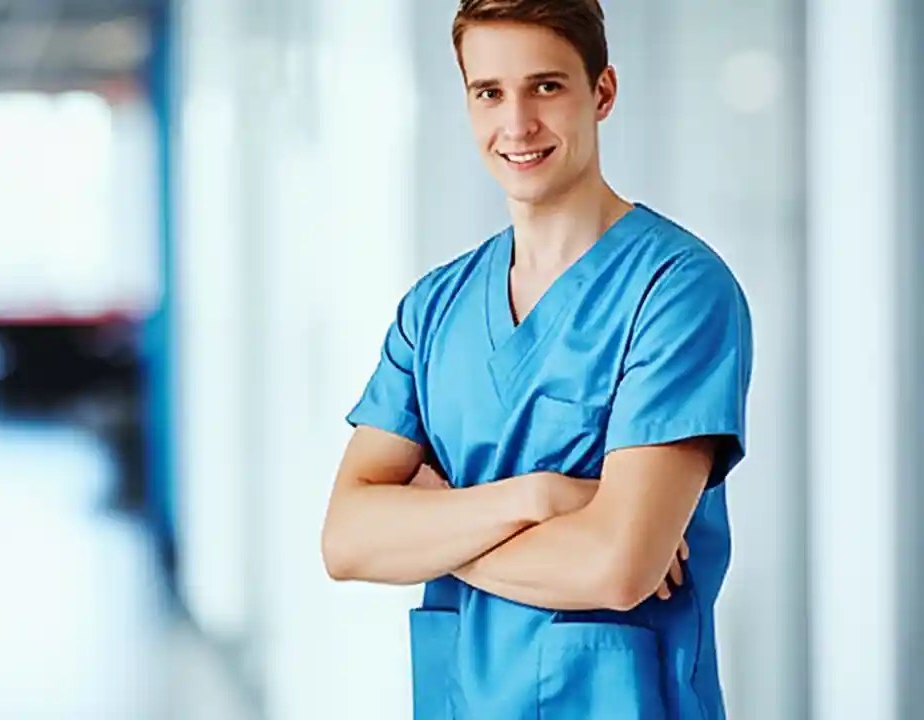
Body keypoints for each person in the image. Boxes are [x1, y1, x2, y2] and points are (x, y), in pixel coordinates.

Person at [319, 1, 753, 718]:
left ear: (602, 93)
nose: (516, 124)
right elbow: (346, 542)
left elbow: (616, 567)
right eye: (489, 92)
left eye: (546, 86)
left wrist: (433, 527)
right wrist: (541, 497)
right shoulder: (434, 309)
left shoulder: (676, 291)